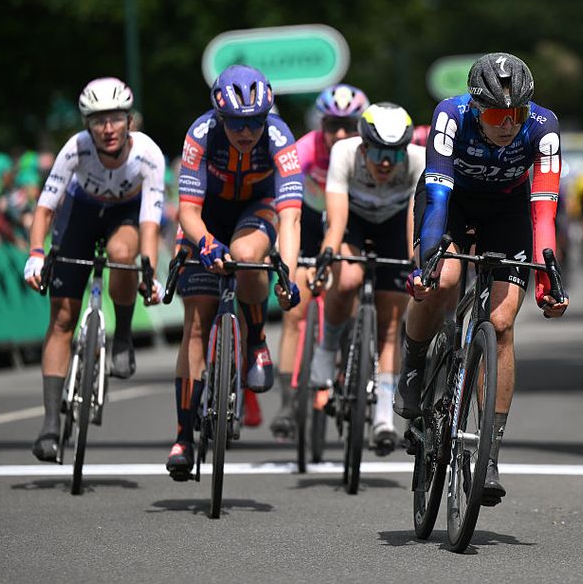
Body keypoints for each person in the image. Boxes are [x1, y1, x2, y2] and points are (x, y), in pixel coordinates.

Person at [399, 53, 569, 504]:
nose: (507, 124)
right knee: (448, 278)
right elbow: (436, 197)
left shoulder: (544, 126)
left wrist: (548, 282)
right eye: (496, 114)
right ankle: (414, 365)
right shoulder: (450, 115)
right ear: (476, 108)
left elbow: (544, 211)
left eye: (515, 114)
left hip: (507, 211)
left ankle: (489, 455)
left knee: (503, 321)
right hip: (450, 201)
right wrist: (427, 264)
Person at [166, 65, 302, 479]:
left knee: (247, 254)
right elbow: (187, 211)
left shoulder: (279, 138)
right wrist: (204, 244)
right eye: (237, 124)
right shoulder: (200, 134)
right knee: (196, 322)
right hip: (204, 217)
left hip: (254, 212)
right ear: (220, 117)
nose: (247, 132)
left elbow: (291, 219)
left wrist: (289, 278)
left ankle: (257, 340)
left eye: (255, 122)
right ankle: (183, 436)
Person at [22, 77, 166, 462]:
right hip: (80, 214)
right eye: (98, 120)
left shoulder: (149, 155)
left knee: (122, 253)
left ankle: (121, 335)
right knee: (62, 319)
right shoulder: (75, 149)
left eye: (116, 118)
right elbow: (45, 208)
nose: (108, 128)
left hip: (125, 216)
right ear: (87, 124)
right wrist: (37, 254)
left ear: (129, 120)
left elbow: (151, 221)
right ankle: (51, 424)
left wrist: (148, 270)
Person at [308, 102, 424, 454]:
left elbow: (415, 223)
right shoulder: (344, 153)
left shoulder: (418, 161)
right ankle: (327, 349)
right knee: (346, 280)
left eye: (394, 153)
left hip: (396, 222)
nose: (386, 161)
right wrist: (329, 254)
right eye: (377, 151)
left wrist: (415, 264)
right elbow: (337, 217)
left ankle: (383, 415)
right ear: (362, 146)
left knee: (391, 321)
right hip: (353, 221)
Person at [271, 83, 368, 439]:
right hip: (310, 226)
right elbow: (284, 203)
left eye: (349, 125)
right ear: (320, 125)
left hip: (347, 227)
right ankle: (287, 401)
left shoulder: (366, 151)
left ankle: (346, 365)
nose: (340, 134)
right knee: (295, 310)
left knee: (347, 289)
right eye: (332, 125)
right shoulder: (305, 149)